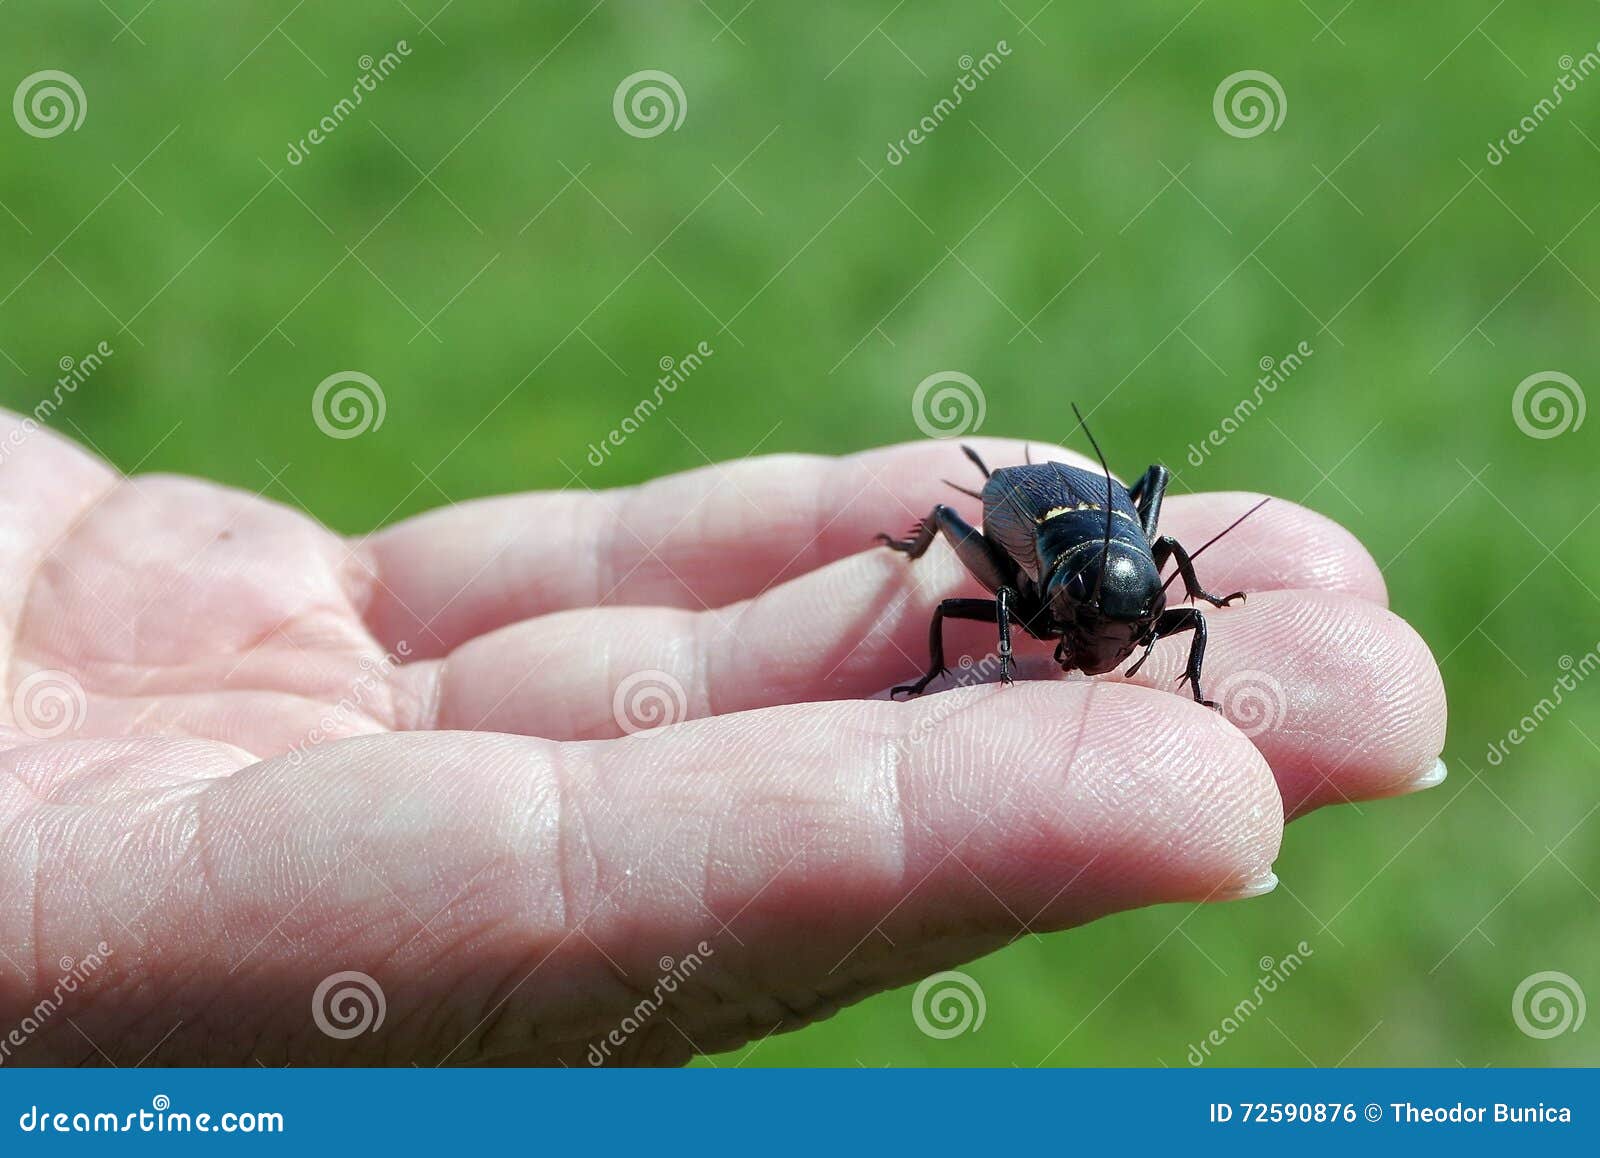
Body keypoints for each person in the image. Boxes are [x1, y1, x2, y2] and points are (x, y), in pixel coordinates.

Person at [0, 411, 1446, 1065]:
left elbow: (1162, 614)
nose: (1108, 656)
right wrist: (976, 655)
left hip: (1091, 520)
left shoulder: (1153, 598)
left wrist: (1181, 674)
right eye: (1084, 634)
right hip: (1036, 504)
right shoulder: (1012, 581)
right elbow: (966, 601)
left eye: (1130, 635)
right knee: (944, 597)